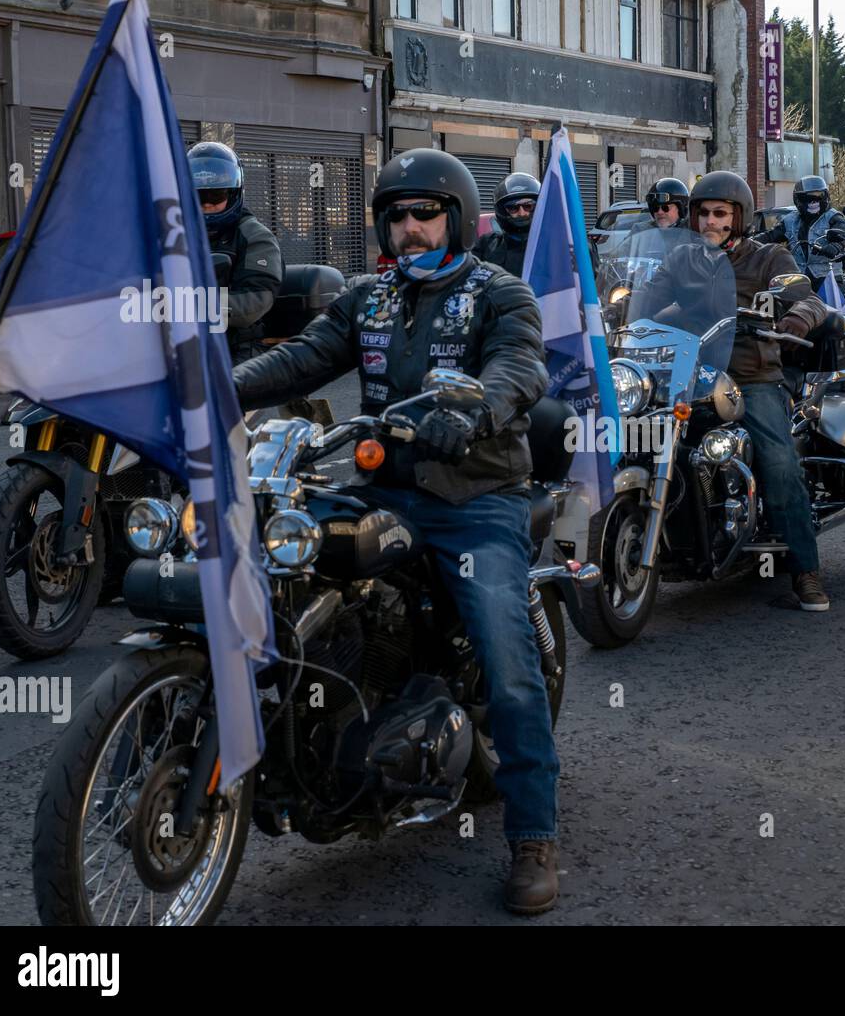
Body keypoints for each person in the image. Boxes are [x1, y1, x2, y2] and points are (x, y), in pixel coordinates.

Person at [231, 148, 563, 914]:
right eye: (398, 216)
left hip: (476, 496)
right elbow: (303, 360)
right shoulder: (368, 297)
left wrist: (474, 408)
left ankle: (534, 835)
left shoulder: (498, 292)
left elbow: (522, 367)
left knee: (506, 656)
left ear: (456, 216)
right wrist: (208, 385)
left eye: (426, 213)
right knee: (273, 561)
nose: (411, 229)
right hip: (380, 486)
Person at [632, 171, 833, 612]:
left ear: (738, 218)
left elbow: (809, 297)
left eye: (719, 213)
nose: (709, 221)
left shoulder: (769, 258)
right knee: (631, 434)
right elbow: (644, 302)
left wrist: (798, 317)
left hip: (751, 374)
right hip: (687, 373)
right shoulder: (680, 260)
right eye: (702, 213)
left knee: (779, 462)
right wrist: (619, 314)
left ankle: (806, 572)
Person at [188, 141, 284, 363]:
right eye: (198, 197)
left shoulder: (254, 235)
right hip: (180, 340)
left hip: (235, 347)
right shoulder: (174, 233)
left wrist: (191, 306)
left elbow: (258, 297)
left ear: (233, 193)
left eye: (216, 196)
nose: (206, 205)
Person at [754, 174, 845, 289]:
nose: (813, 202)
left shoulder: (834, 216)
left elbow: (843, 232)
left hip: (827, 276)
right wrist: (749, 242)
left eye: (818, 197)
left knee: (835, 305)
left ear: (826, 197)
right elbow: (770, 236)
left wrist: (835, 246)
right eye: (807, 198)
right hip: (798, 276)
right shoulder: (790, 220)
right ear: (798, 200)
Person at [472, 172, 541, 278]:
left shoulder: (553, 246)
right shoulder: (486, 244)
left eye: (528, 206)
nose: (522, 213)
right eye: (513, 208)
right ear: (502, 211)